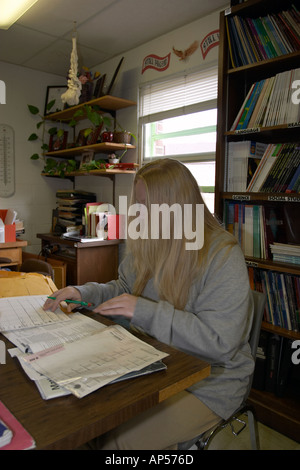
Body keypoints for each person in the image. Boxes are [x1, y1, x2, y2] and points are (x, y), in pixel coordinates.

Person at [44, 158, 254, 450]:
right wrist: (83, 293)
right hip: (155, 362)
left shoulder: (222, 255)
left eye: (146, 205)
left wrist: (143, 311)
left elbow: (220, 342)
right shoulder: (151, 238)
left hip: (210, 382)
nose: (137, 213)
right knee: (82, 418)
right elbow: (126, 290)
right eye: (137, 204)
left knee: (118, 442)